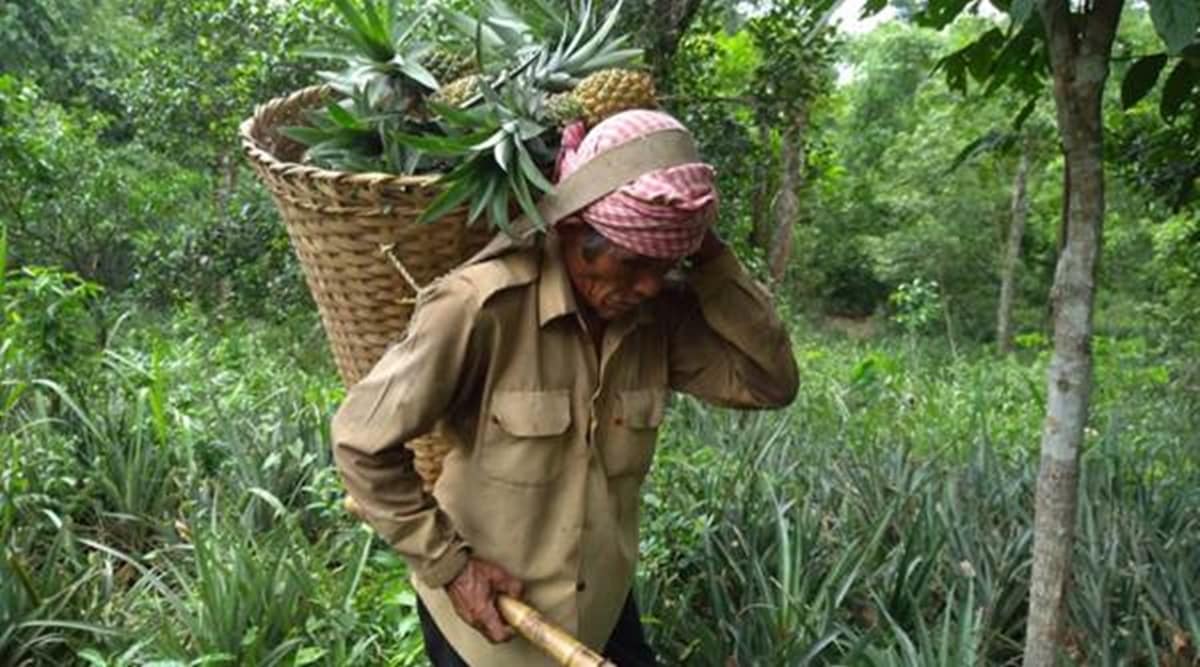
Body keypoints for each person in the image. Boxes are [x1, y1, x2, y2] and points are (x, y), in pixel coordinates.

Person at [331, 110, 799, 666]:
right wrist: (451, 568)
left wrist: (711, 258)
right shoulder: (481, 308)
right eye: (631, 262)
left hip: (600, 607)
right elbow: (360, 443)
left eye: (666, 263)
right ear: (573, 229)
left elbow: (769, 382)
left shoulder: (658, 318)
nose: (648, 285)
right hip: (490, 627)